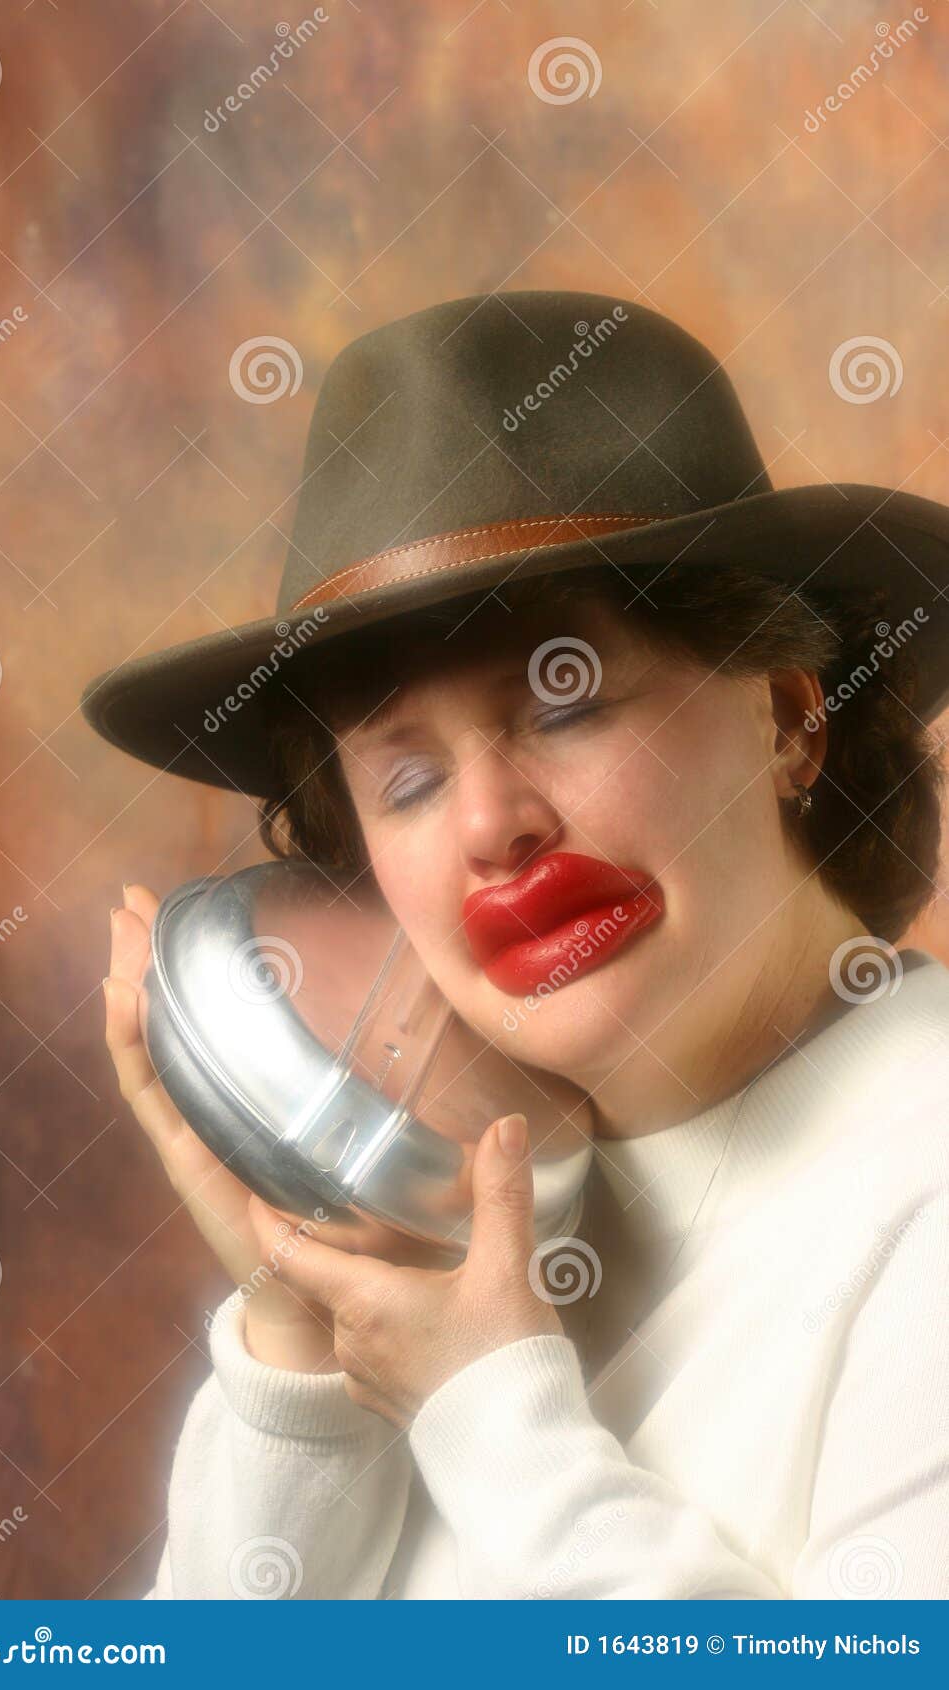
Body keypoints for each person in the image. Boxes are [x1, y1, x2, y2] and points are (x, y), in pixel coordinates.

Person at [84, 291, 949, 1599]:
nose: (493, 824)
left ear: (786, 718)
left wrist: (492, 1413)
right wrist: (304, 1337)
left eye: (565, 698)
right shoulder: (428, 1246)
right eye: (407, 778)